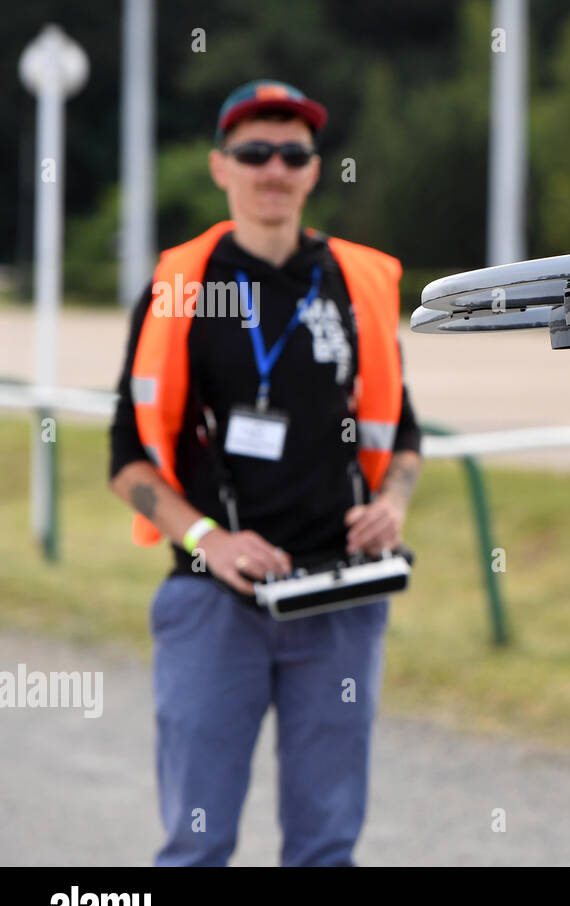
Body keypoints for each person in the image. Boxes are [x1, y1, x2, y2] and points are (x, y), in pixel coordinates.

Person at [107, 80, 423, 866]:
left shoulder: (356, 282)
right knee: (199, 842)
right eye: (255, 152)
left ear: (314, 171)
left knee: (325, 845)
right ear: (221, 167)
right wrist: (210, 540)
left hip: (339, 602)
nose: (273, 168)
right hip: (215, 605)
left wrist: (393, 501)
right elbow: (127, 458)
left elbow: (405, 436)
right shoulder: (182, 284)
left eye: (293, 152)